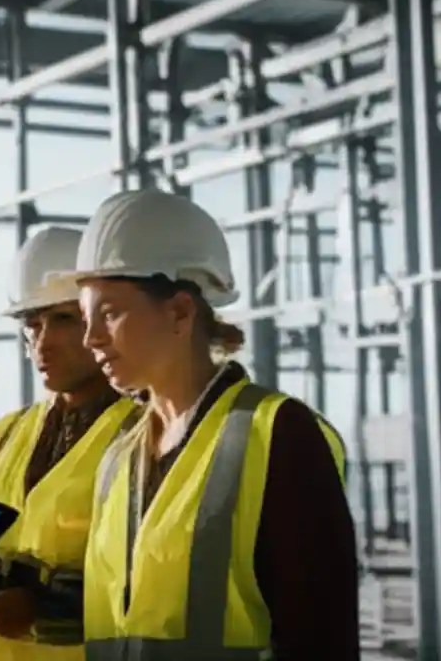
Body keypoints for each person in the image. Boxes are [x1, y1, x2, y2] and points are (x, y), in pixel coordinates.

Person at [68, 189, 359, 660]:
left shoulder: (278, 434)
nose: (90, 339)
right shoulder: (119, 454)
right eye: (85, 318)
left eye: (109, 313)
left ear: (180, 312)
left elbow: (323, 638)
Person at [0, 228, 139, 661]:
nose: (41, 343)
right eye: (32, 324)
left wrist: (44, 609)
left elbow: (158, 587)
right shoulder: (8, 433)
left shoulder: (144, 432)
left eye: (64, 319)